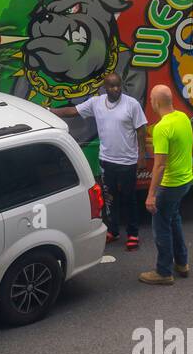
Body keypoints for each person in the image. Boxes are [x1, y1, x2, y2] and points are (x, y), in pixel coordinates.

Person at [51, 72, 147, 249]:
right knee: (110, 198)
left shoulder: (131, 104)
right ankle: (113, 230)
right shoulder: (96, 103)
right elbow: (73, 111)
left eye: (118, 85)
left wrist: (142, 156)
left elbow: (141, 130)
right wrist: (51, 111)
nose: (116, 89)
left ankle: (133, 234)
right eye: (112, 86)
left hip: (128, 162)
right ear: (105, 88)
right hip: (107, 160)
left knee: (129, 198)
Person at [139, 85, 193, 286]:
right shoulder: (183, 117)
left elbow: (160, 164)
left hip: (170, 184)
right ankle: (182, 263)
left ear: (156, 102)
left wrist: (151, 194)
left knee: (161, 225)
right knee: (174, 218)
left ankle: (163, 271)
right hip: (185, 180)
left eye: (151, 99)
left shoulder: (162, 128)